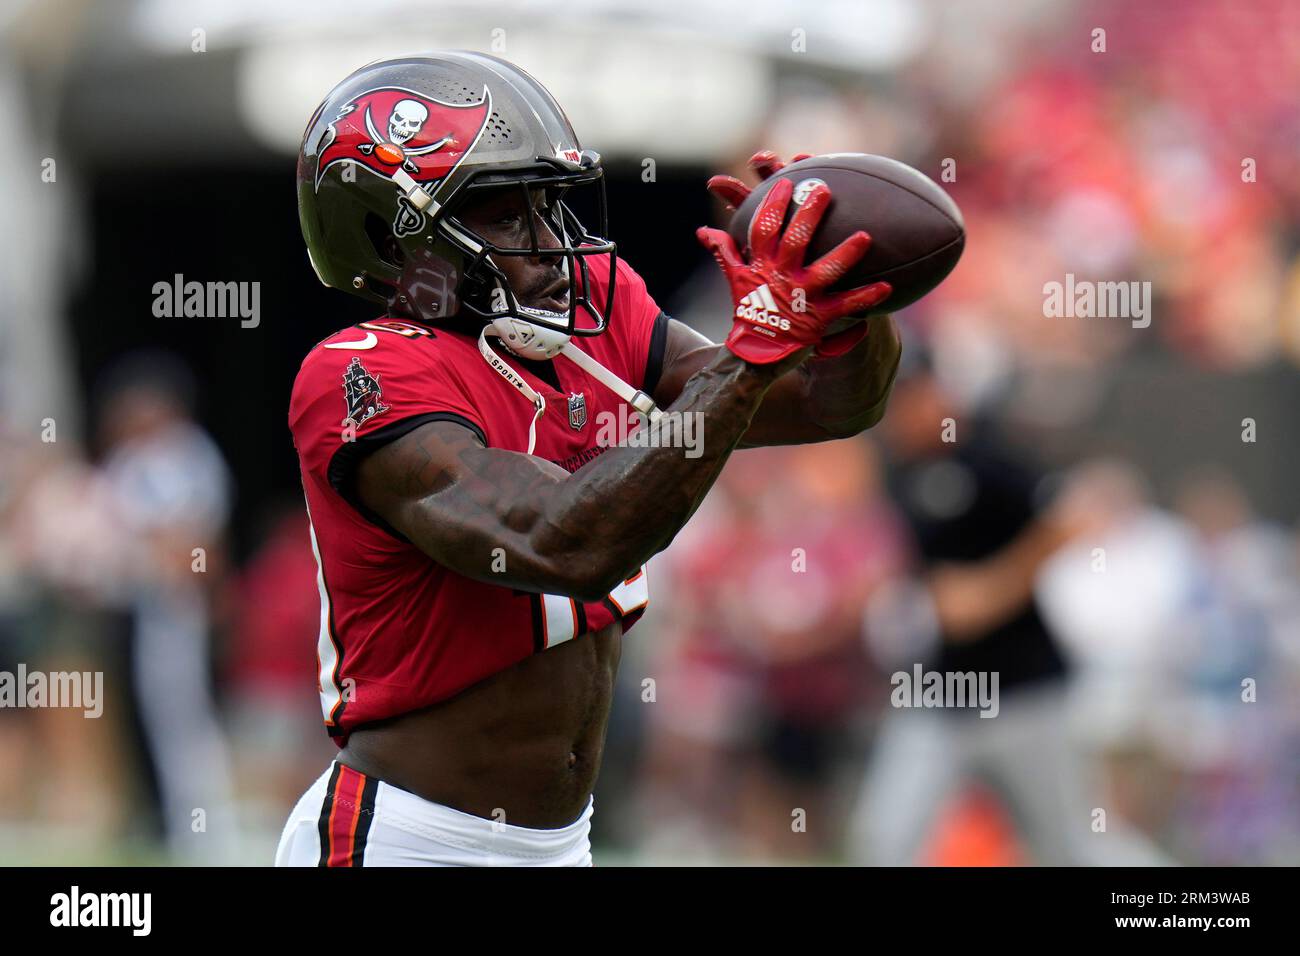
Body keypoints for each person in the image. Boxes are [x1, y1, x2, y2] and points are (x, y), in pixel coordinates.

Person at [275, 51, 900, 866]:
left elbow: (828, 403)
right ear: (400, 237)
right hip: (411, 839)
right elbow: (559, 543)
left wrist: (845, 301)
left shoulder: (591, 308)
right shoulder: (364, 371)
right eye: (505, 214)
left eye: (548, 204)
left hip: (561, 844)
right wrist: (753, 357)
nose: (548, 241)